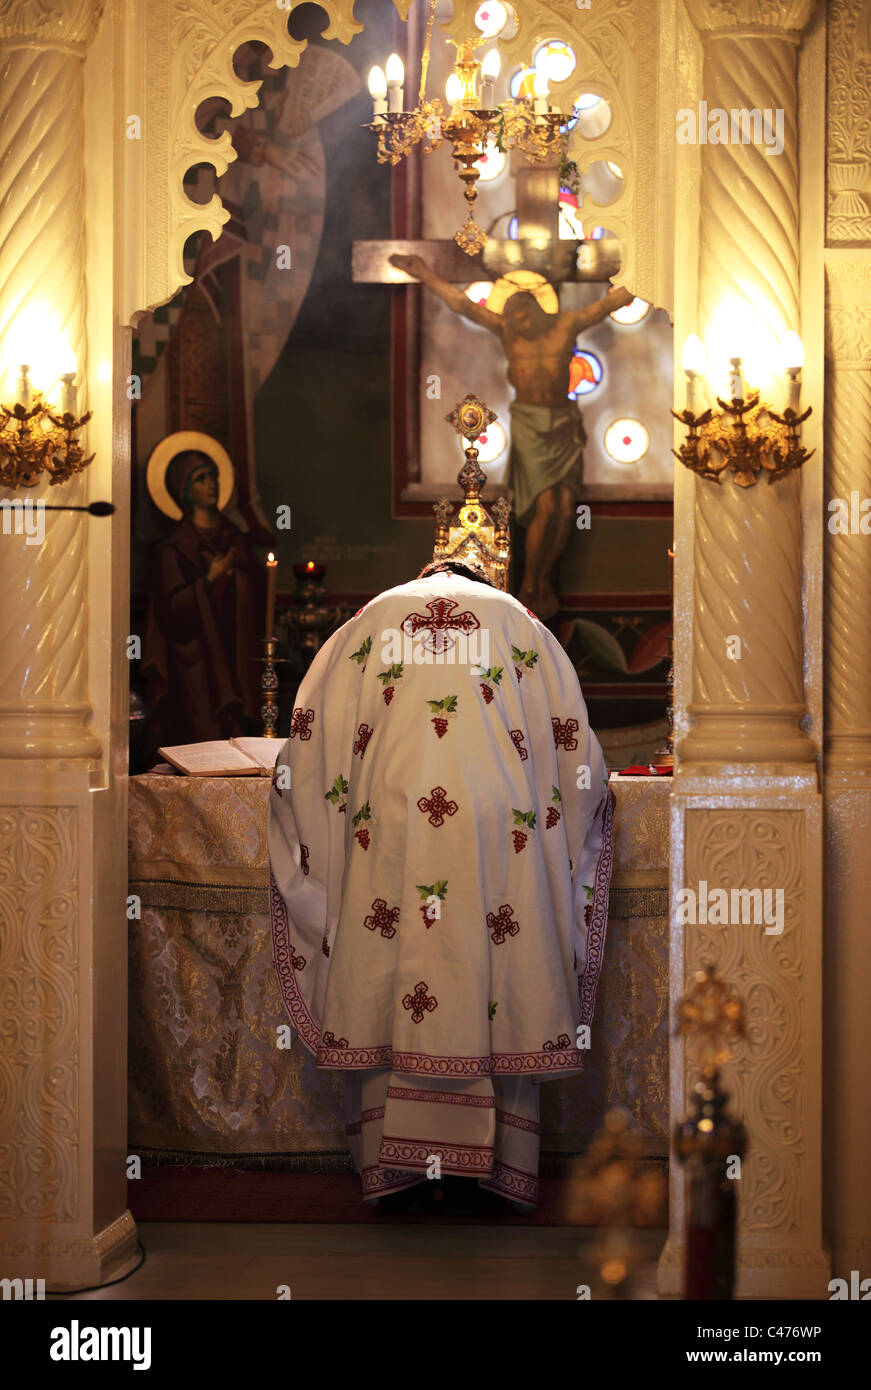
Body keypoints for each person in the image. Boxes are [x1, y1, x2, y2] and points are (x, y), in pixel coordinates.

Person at [268, 556, 614, 1208]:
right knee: (499, 968)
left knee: (388, 957)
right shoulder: (520, 619)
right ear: (480, 578)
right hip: (496, 830)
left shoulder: (367, 619)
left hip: (390, 826)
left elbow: (306, 743)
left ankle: (397, 1171)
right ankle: (492, 1171)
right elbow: (576, 753)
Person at [389, 252, 633, 619]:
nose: (518, 322)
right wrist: (424, 271)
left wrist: (647, 269)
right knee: (544, 506)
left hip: (564, 424)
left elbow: (611, 301)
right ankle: (530, 583)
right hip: (530, 424)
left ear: (537, 309)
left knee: (565, 509)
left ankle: (545, 578)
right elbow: (462, 305)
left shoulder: (565, 324)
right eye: (513, 316)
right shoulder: (506, 329)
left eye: (523, 315)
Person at [143, 449, 265, 750]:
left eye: (214, 476)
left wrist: (236, 579)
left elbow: (260, 598)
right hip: (195, 662)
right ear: (184, 490)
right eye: (201, 478)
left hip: (235, 654)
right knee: (201, 744)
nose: (212, 484)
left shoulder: (235, 540)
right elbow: (171, 612)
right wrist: (209, 580)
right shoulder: (172, 548)